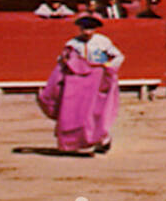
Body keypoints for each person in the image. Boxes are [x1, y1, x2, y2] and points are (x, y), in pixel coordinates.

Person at [37, 16, 124, 154]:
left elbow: (118, 56)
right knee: (77, 112)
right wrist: (65, 61)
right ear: (80, 29)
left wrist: (108, 66)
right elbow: (62, 60)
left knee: (96, 110)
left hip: (97, 80)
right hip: (78, 83)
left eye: (90, 29)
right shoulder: (72, 44)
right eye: (85, 29)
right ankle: (75, 142)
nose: (87, 32)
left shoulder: (103, 41)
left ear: (95, 29)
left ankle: (102, 139)